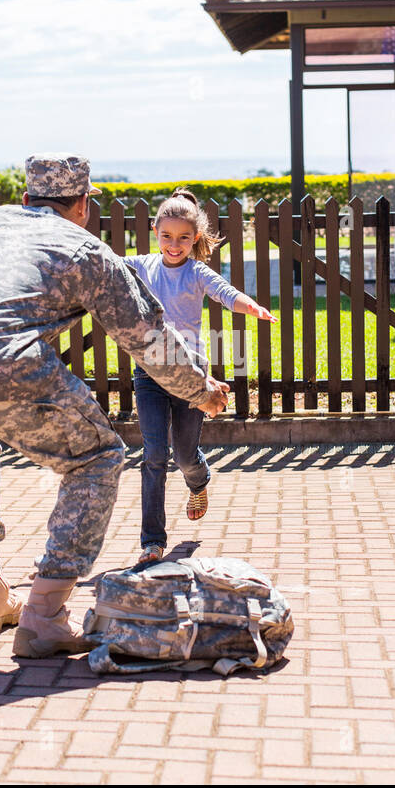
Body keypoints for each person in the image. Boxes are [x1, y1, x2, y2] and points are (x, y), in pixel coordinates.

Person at [0, 154, 229, 658]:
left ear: (26, 200)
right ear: (84, 206)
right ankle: (44, 616)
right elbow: (147, 339)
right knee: (96, 459)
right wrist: (200, 390)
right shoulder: (86, 249)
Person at [124, 189, 277, 564]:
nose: (174, 245)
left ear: (195, 238)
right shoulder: (142, 265)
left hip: (193, 378)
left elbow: (225, 293)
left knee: (184, 455)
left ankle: (199, 480)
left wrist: (251, 307)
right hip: (149, 374)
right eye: (167, 236)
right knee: (154, 455)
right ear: (155, 232)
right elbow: (102, 266)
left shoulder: (196, 272)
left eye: (183, 238)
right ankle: (152, 542)